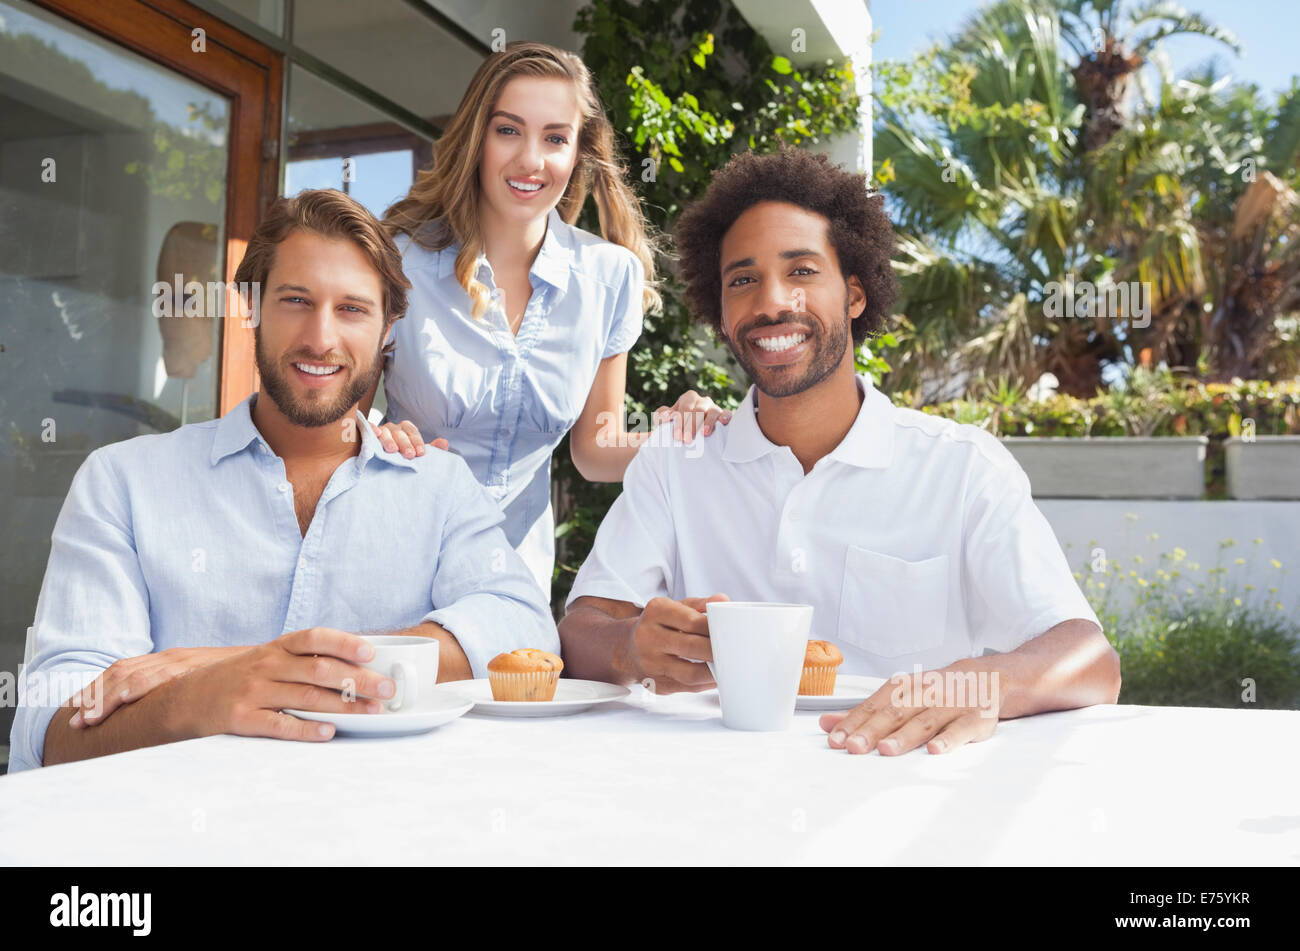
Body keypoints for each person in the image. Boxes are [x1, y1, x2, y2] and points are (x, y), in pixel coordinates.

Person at [558, 147, 1121, 756]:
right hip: (713, 804)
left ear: (855, 295)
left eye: (801, 271)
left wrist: (980, 683)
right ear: (721, 312)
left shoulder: (961, 469)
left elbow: (1090, 659)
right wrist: (630, 646)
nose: (773, 302)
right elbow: (582, 631)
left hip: (893, 797)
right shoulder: (676, 464)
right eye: (742, 280)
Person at [9, 189, 556, 773]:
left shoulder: (438, 485)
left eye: (352, 309)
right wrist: (202, 699)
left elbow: (525, 632)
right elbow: (52, 734)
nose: (320, 338)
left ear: (388, 328)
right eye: (296, 300)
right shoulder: (123, 482)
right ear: (252, 306)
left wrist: (250, 664)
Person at [368, 41, 730, 594]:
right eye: (508, 130)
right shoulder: (397, 260)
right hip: (391, 569)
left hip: (516, 587)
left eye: (555, 138)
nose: (531, 160)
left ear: (579, 152)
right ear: (476, 138)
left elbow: (594, 450)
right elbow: (338, 423)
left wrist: (686, 439)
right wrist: (373, 433)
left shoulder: (611, 279)